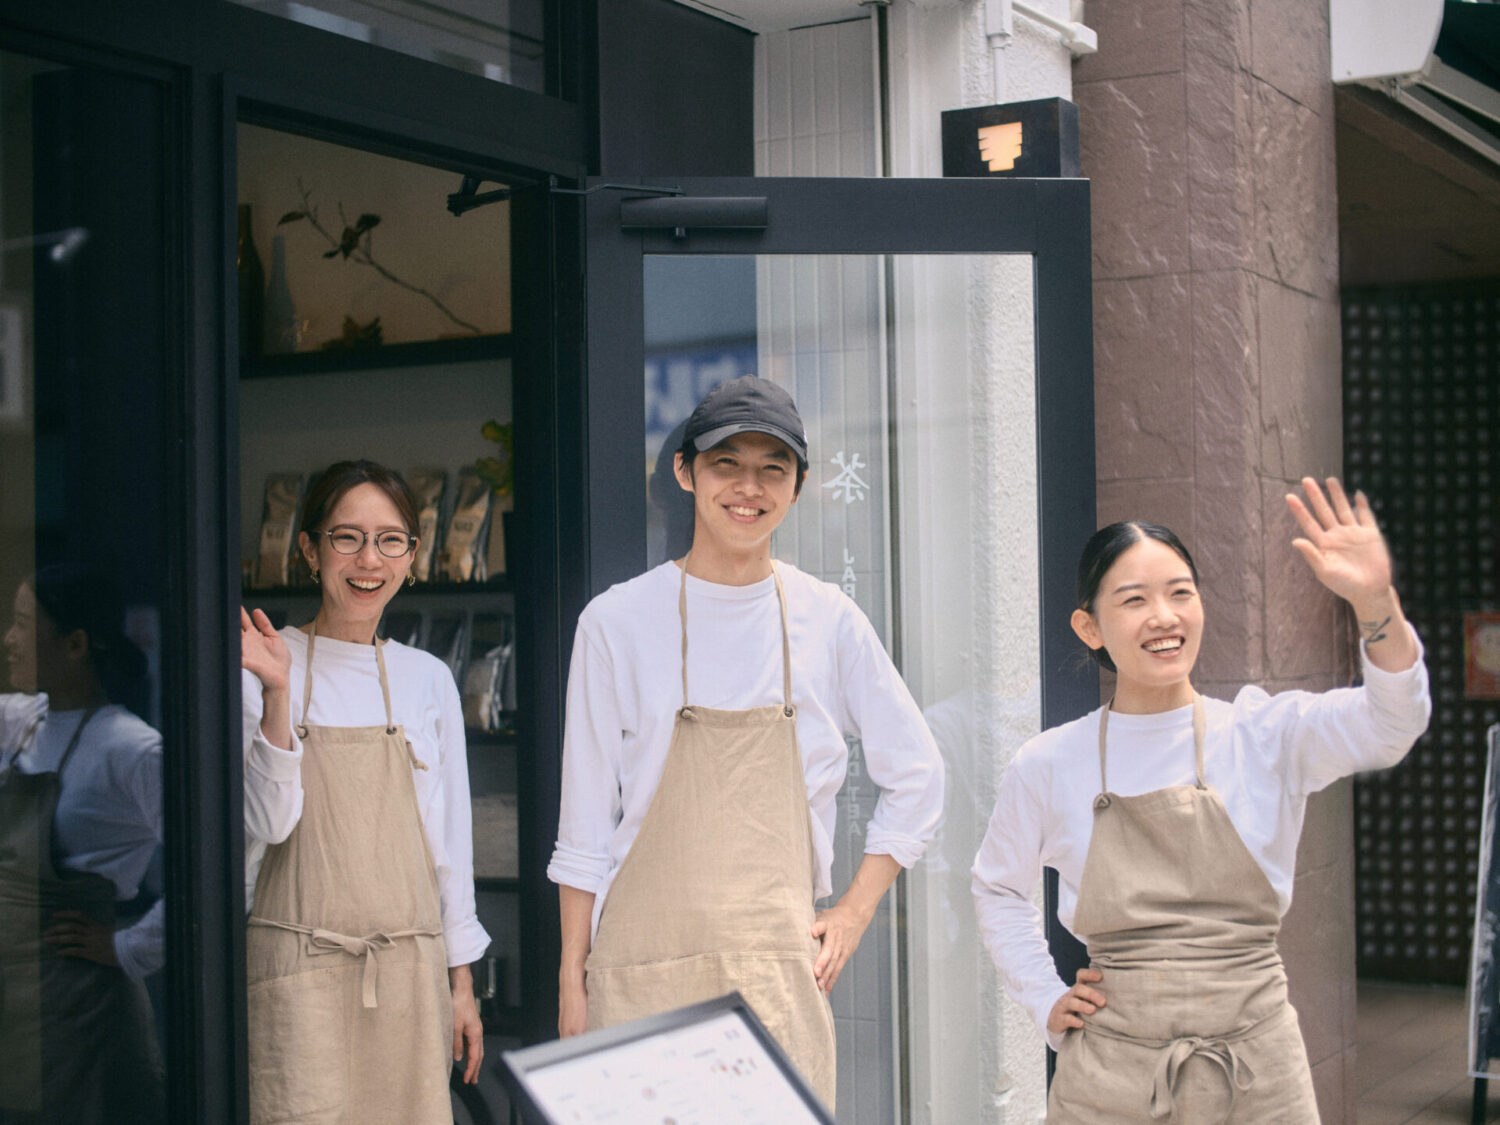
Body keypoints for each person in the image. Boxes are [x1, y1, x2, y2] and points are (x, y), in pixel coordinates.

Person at [972, 478, 1431, 1122]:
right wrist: (1043, 996)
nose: (1164, 617)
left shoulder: (1264, 733)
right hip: (1111, 1074)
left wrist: (1375, 601)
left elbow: (1393, 723)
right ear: (1090, 627)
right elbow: (997, 888)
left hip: (1258, 1068)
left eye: (1180, 593)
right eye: (1133, 600)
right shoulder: (1048, 762)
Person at [547, 375, 945, 1109]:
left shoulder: (827, 619)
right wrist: (574, 978)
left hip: (775, 986)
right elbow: (584, 824)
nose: (748, 486)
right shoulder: (616, 622)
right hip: (638, 979)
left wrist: (854, 911)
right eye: (727, 462)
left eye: (774, 468)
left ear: (797, 485)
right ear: (685, 471)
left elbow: (919, 775)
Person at [240, 460, 488, 1125]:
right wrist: (276, 693)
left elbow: (450, 848)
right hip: (297, 971)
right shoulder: (266, 660)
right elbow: (268, 819)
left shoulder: (426, 678)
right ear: (309, 548)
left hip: (407, 972)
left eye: (390, 540)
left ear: (413, 552)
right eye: (346, 537)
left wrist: (461, 984)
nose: (368, 559)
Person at [0, 563, 166, 1123]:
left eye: (23, 624)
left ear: (74, 644)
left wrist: (128, 946)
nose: (9, 639)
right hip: (13, 992)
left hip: (80, 1003)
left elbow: (225, 867)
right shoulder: (22, 720)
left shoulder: (132, 749)